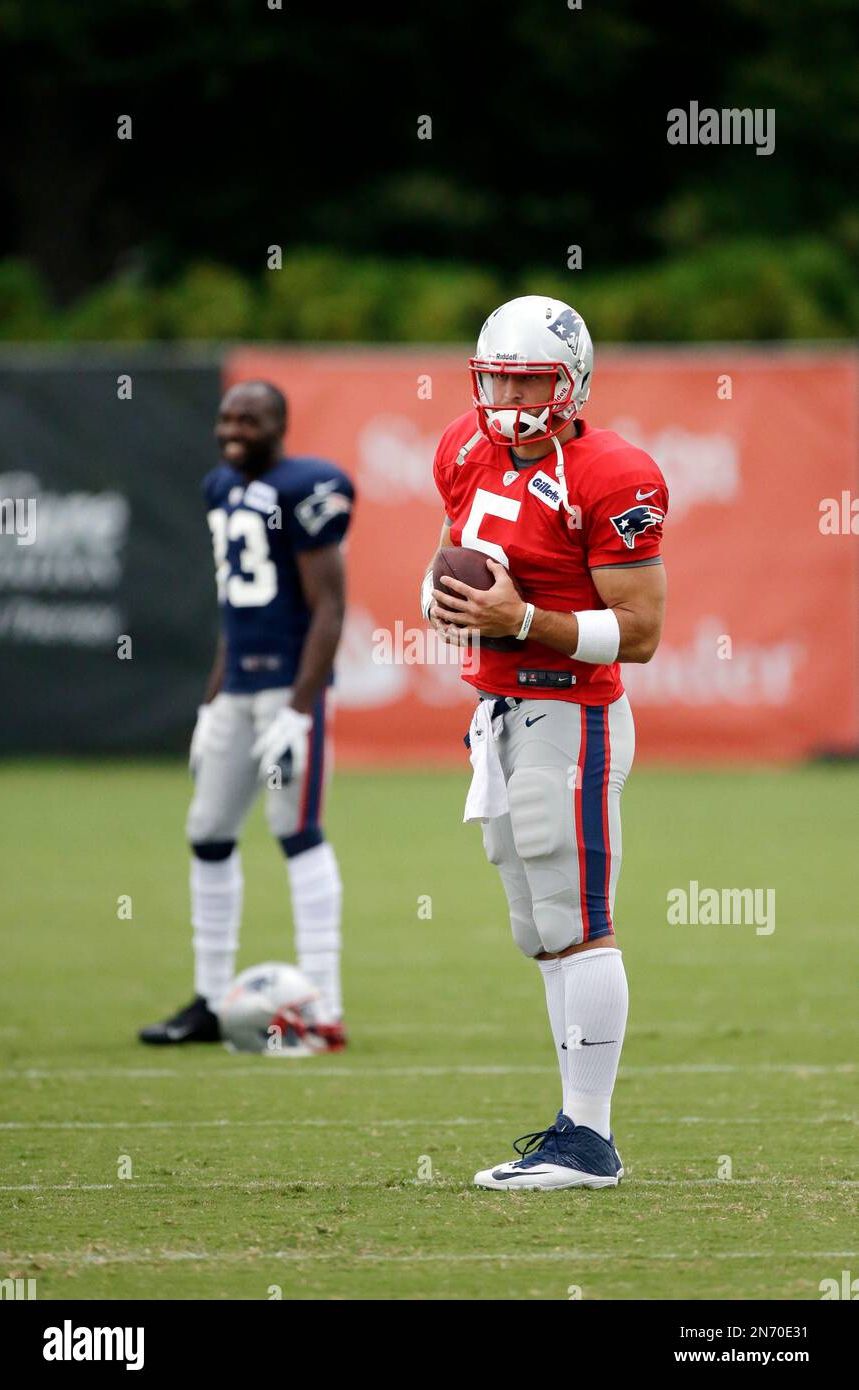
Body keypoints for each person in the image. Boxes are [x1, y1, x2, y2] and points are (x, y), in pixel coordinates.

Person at [421, 296, 668, 1187]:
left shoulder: (613, 473)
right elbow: (453, 548)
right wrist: (438, 596)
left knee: (578, 919)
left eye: (531, 377)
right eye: (498, 376)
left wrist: (521, 617)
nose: (511, 395)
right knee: (537, 926)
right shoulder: (461, 446)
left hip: (575, 709)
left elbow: (638, 633)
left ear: (572, 381)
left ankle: (589, 1138)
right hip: (499, 710)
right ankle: (573, 1126)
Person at [140, 379, 354, 1051]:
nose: (234, 428)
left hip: (289, 688)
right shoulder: (219, 488)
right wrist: (212, 701)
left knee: (295, 828)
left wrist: (299, 707)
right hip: (236, 688)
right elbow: (236, 612)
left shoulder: (307, 488)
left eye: (250, 419)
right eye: (228, 417)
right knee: (206, 830)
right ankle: (209, 999)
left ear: (279, 424)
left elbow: (330, 607)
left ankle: (322, 1006)